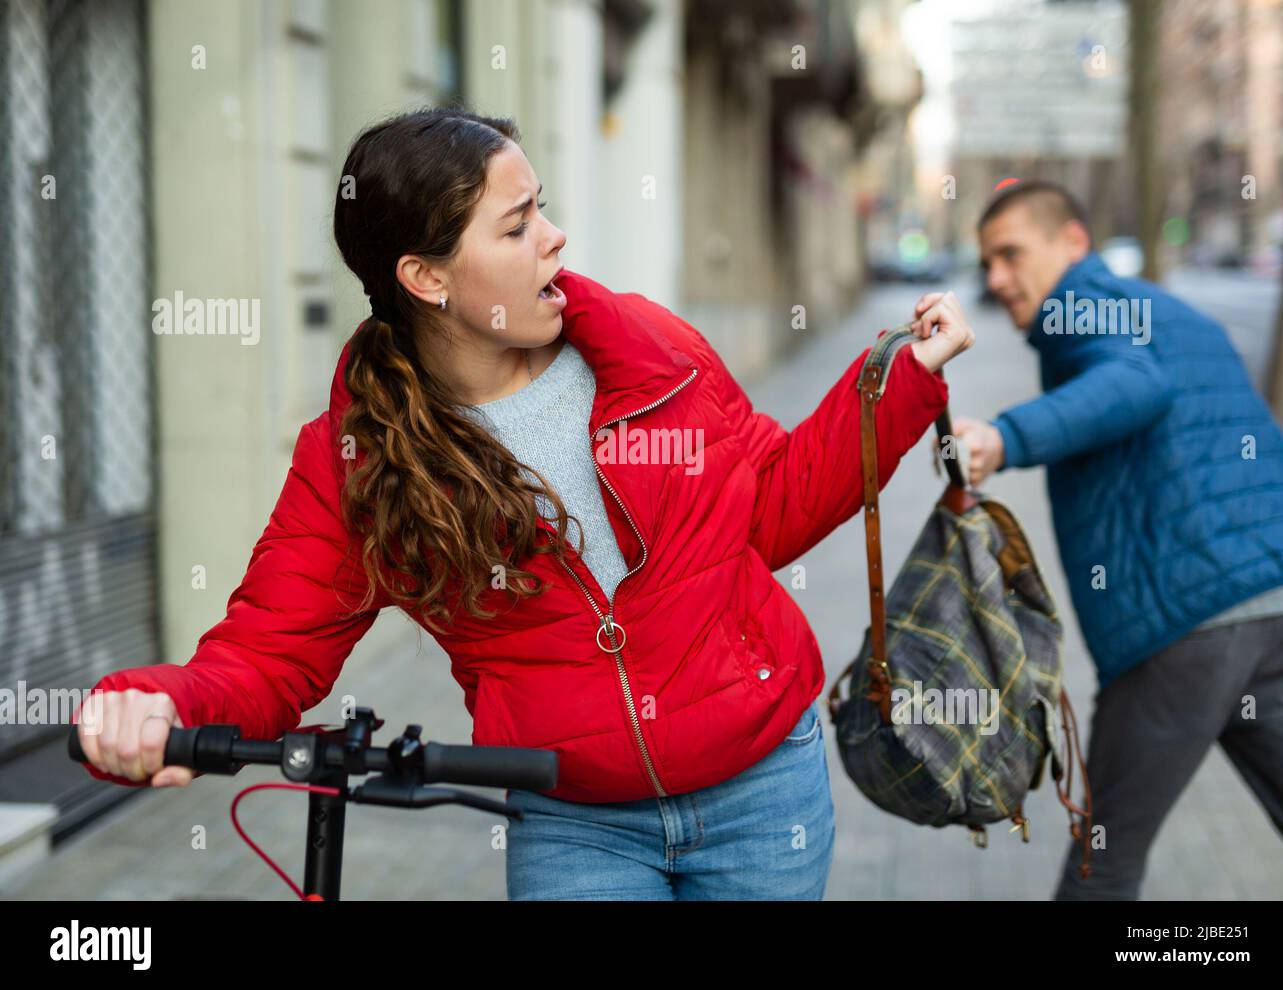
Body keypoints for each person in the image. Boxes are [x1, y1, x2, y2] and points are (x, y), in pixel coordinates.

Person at [73, 106, 975, 900]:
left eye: (540, 206)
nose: (555, 237)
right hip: (574, 823)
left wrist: (894, 385)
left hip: (762, 790)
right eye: (517, 226)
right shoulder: (360, 457)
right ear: (427, 279)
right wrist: (157, 702)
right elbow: (267, 653)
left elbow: (770, 507)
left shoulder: (644, 350)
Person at [952, 178, 1283, 899]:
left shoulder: (1086, 305)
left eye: (1011, 254)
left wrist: (1003, 437)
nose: (996, 279)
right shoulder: (1178, 315)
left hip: (1184, 623)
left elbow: (1135, 384)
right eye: (987, 262)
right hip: (1280, 607)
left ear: (1073, 242)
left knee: (1103, 860)